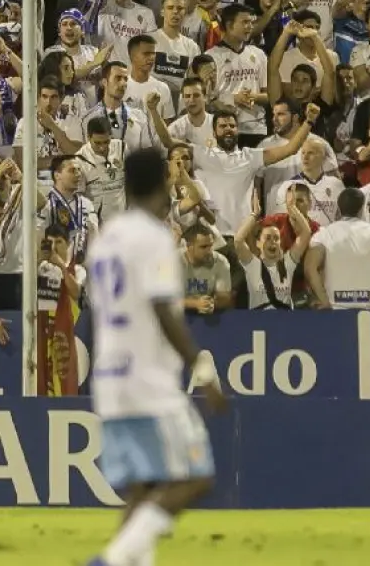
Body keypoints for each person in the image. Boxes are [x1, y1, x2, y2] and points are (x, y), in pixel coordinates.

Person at [83, 148, 228, 566]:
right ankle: (111, 560)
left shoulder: (105, 239)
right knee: (196, 476)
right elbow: (165, 310)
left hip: (110, 376)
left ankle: (127, 559)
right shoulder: (154, 237)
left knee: (144, 489)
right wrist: (201, 368)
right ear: (164, 181)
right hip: (147, 379)